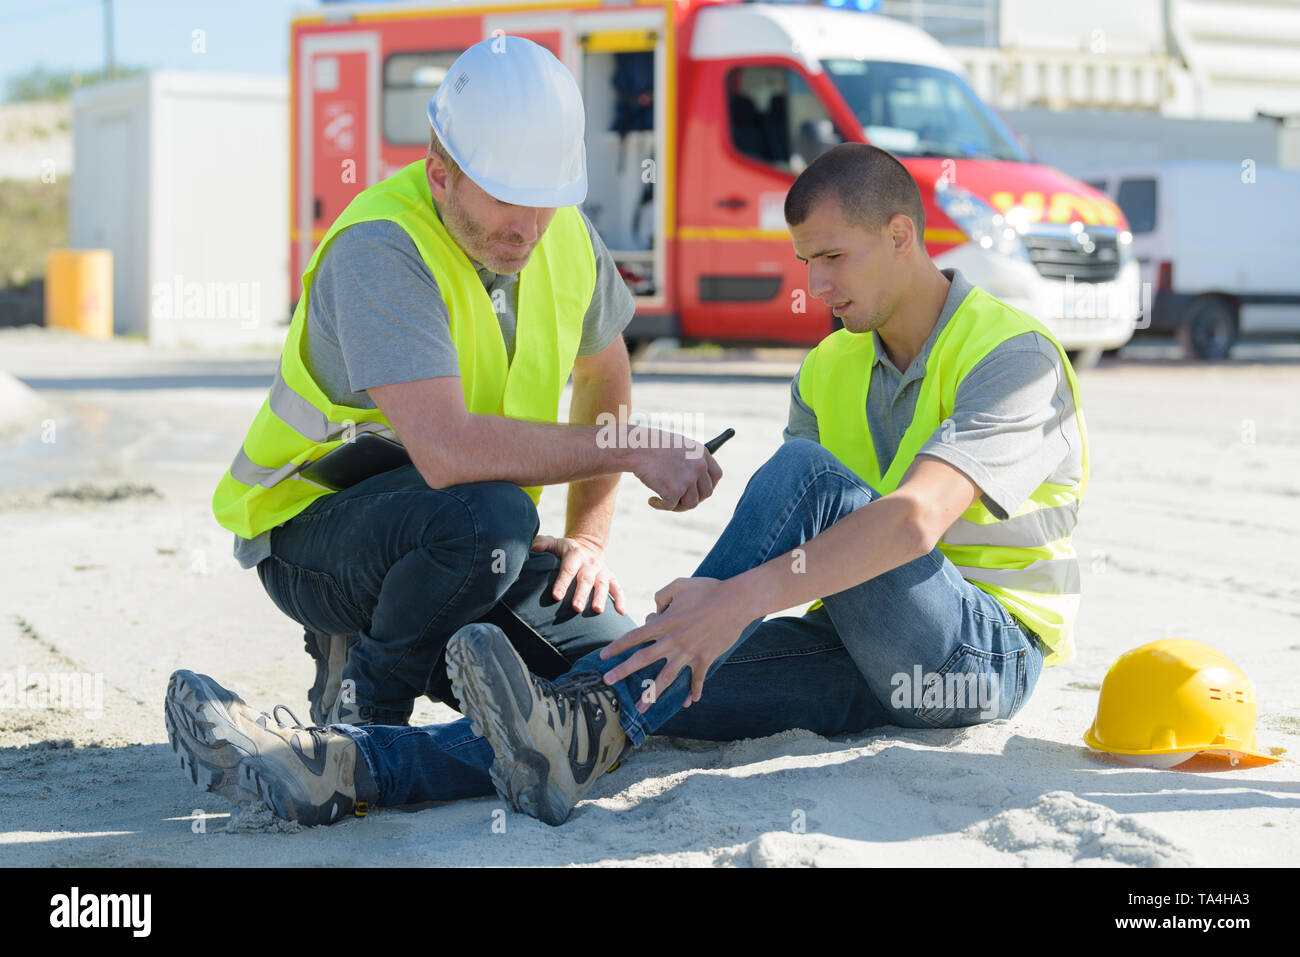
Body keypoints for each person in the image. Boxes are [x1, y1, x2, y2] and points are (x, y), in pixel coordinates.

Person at [167, 143, 1088, 829]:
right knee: (630, 674)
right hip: (853, 647)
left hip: (978, 657)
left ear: (902, 235)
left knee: (758, 533)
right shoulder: (825, 371)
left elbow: (913, 520)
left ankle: (599, 711)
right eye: (803, 262)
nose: (813, 287)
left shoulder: (1011, 352)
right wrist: (701, 622)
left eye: (832, 259)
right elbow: (818, 546)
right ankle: (348, 767)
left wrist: (735, 600)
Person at [203, 35, 720, 733]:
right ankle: (365, 719)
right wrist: (630, 449)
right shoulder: (380, 248)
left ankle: (431, 649)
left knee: (614, 667)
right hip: (315, 531)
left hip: (472, 540)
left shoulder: (561, 232)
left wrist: (588, 540)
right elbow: (448, 450)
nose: (529, 227)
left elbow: (604, 368)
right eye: (508, 200)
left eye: (546, 202)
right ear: (439, 173)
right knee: (490, 517)